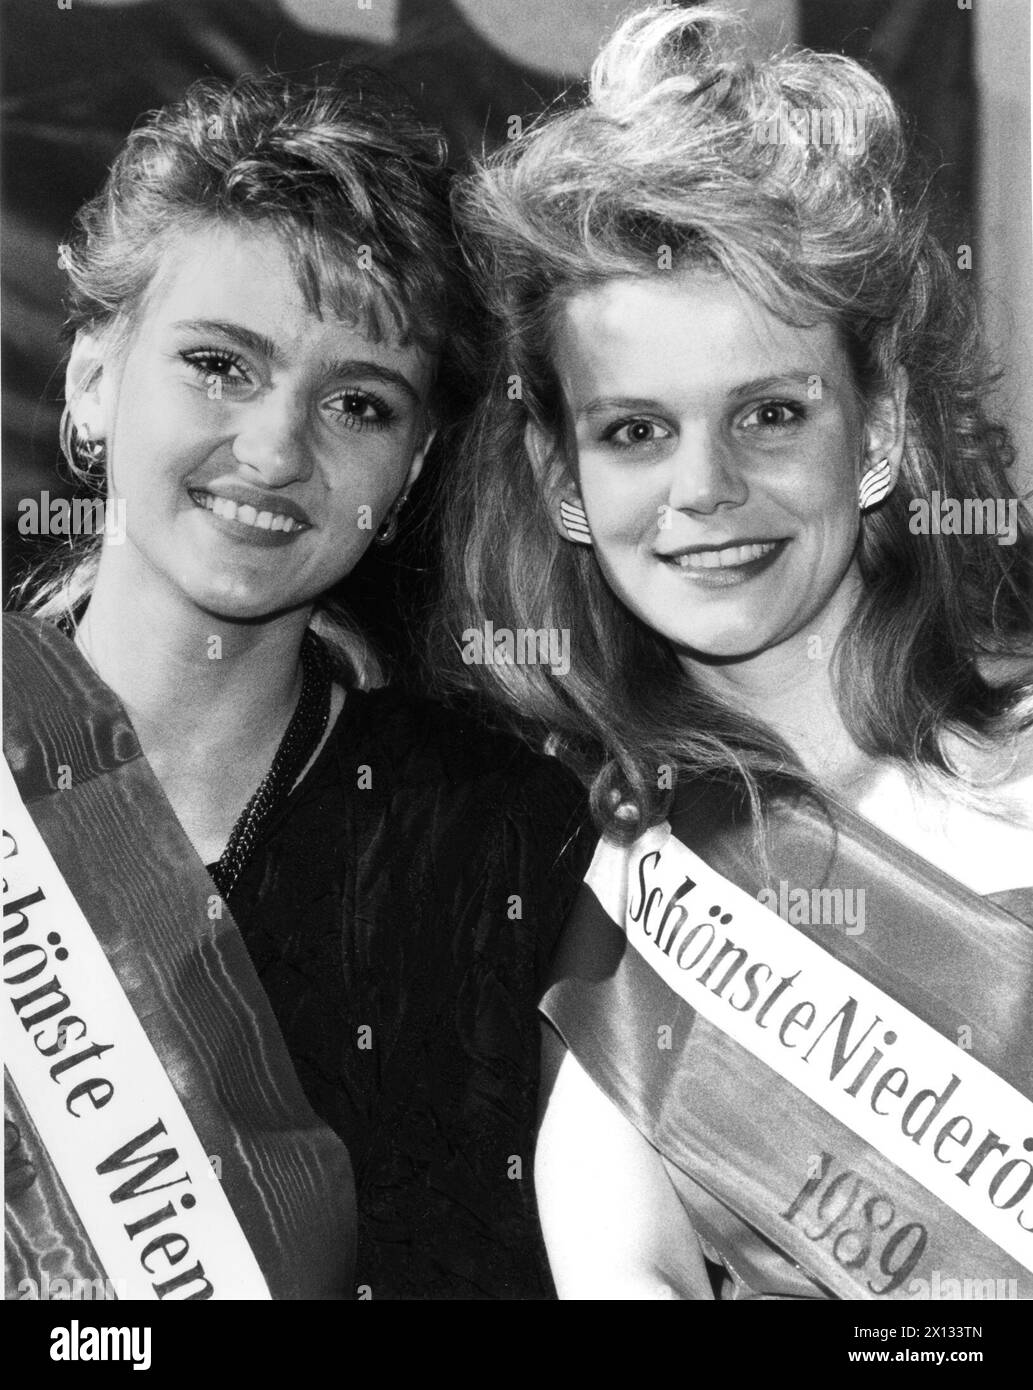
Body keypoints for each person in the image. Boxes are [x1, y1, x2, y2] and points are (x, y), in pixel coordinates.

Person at [442, 5, 1033, 1299]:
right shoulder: (617, 895)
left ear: (874, 426)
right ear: (563, 475)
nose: (702, 489)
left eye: (768, 413)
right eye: (638, 430)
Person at [4, 73, 587, 1301]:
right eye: (220, 363)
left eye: (357, 403)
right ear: (93, 377)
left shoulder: (503, 848)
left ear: (416, 459)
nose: (275, 451)